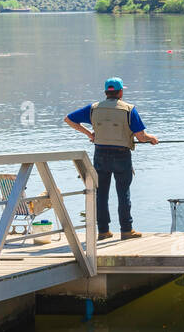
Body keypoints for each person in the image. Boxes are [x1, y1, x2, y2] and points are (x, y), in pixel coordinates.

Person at [63, 77, 159, 240]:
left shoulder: (93, 108)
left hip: (100, 154)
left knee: (101, 194)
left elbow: (69, 119)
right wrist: (152, 139)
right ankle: (127, 230)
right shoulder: (129, 109)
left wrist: (90, 134)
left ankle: (103, 231)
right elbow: (141, 137)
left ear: (106, 92)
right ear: (120, 92)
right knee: (123, 194)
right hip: (121, 155)